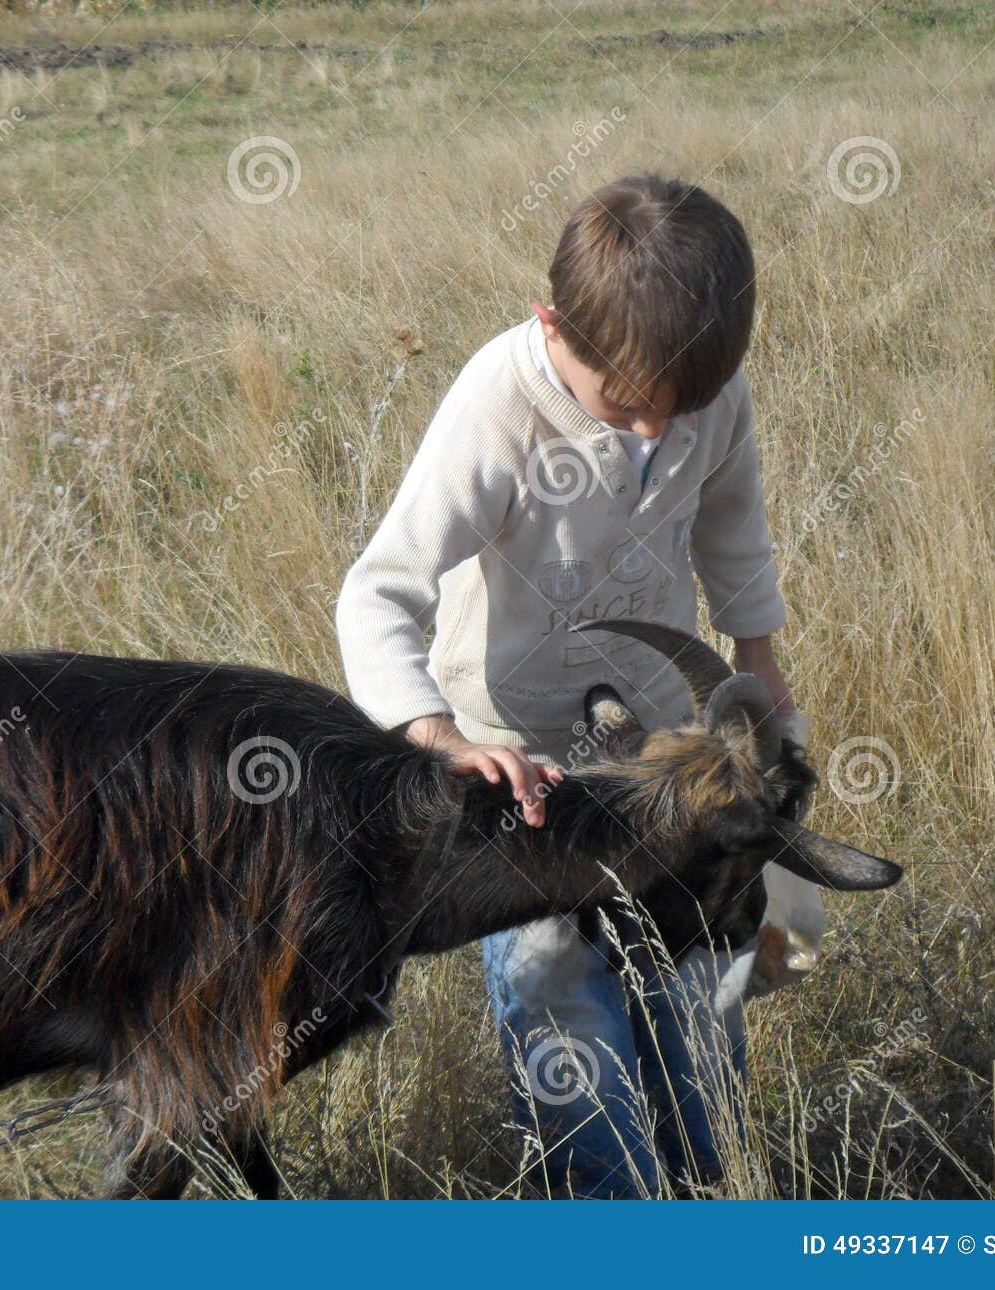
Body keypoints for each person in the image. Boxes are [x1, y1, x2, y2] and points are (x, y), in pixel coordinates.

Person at [336, 174, 821, 1197]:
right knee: (555, 981)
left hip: (661, 752)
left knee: (692, 973)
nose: (654, 435)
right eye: (626, 408)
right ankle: (609, 1211)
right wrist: (436, 738)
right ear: (549, 322)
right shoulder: (494, 409)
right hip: (517, 764)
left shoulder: (700, 388)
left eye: (677, 411)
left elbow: (732, 525)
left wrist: (759, 667)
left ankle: (709, 1184)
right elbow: (377, 595)